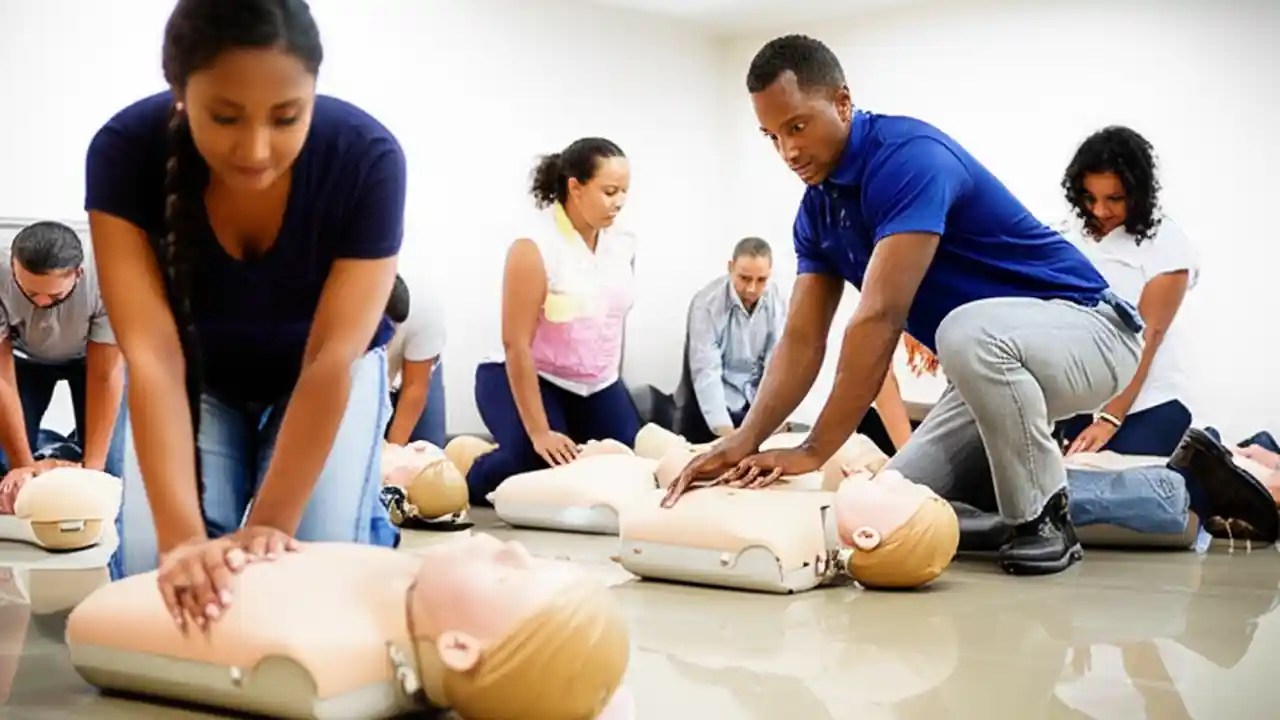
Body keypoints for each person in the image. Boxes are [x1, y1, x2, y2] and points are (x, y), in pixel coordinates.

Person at [663, 35, 1145, 576]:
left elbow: (879, 319)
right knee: (887, 508)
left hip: (1093, 331)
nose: (788, 152)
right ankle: (1108, 501)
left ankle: (1042, 519)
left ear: (842, 102)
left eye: (797, 126)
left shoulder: (909, 158)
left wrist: (815, 449)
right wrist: (744, 441)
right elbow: (801, 340)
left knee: (963, 331)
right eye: (772, 136)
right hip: (991, 366)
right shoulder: (817, 213)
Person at [84, 0, 404, 624]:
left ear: (313, 92)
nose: (256, 149)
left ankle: (367, 520)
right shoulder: (125, 150)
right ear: (180, 93)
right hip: (194, 377)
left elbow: (331, 358)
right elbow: (152, 356)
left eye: (287, 117)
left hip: (321, 372)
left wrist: (272, 525)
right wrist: (182, 540)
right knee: (157, 573)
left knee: (310, 568)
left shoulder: (367, 158)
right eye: (225, 117)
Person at [467, 138, 640, 506]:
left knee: (624, 462)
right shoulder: (534, 246)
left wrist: (616, 391)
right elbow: (515, 344)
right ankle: (466, 466)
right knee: (536, 461)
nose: (620, 202)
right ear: (575, 188)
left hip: (596, 384)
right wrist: (540, 432)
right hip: (526, 374)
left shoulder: (623, 243)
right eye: (610, 191)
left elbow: (615, 324)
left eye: (624, 191)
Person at [1055, 126, 1199, 457]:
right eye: (1090, 197)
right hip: (1079, 399)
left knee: (1122, 480)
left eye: (1114, 199)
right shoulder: (1067, 236)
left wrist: (1110, 418)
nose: (1100, 211)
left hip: (1145, 404)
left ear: (1137, 193)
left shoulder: (1166, 244)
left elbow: (1149, 336)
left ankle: (1242, 453)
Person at [0, 221, 126, 481]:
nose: (41, 302)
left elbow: (104, 375)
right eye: (30, 293)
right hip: (24, 359)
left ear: (78, 273)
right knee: (6, 467)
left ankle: (64, 449)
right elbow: (1, 378)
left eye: (54, 296)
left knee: (108, 470)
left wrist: (94, 470)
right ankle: (48, 446)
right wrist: (23, 467)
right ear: (13, 266)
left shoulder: (108, 278)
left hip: (89, 360)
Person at [684, 236, 787, 440]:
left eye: (761, 280)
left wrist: (774, 419)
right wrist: (727, 435)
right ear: (731, 268)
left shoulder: (776, 300)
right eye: (745, 278)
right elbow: (706, 372)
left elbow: (776, 364)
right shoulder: (706, 304)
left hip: (755, 402)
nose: (752, 289)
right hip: (717, 405)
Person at [384, 274, 447, 447]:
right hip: (354, 376)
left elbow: (415, 386)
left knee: (426, 453)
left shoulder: (424, 307)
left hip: (414, 374)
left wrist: (393, 451)